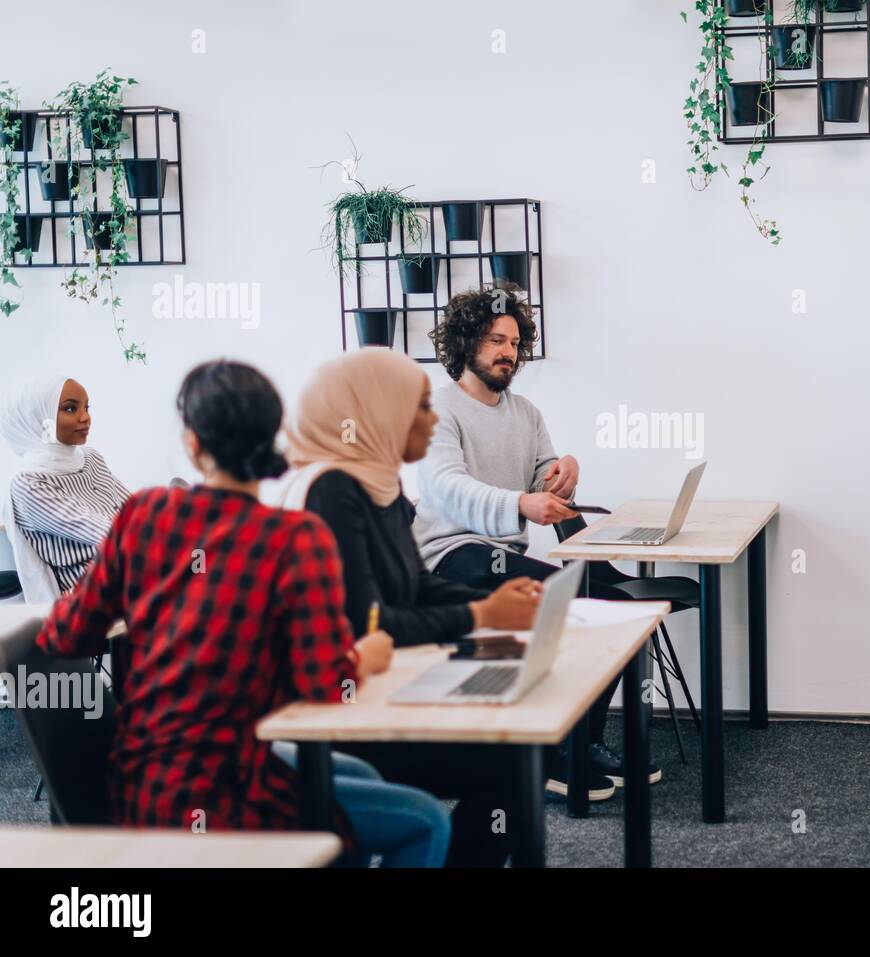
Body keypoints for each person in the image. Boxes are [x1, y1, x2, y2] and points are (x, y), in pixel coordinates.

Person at [35, 360, 450, 867]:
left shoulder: (142, 515)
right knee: (426, 819)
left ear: (193, 444)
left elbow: (65, 638)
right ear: (273, 438)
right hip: (226, 787)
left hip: (140, 777)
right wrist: (366, 655)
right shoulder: (295, 538)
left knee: (360, 775)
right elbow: (324, 685)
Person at [268, 346, 539, 866]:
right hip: (332, 718)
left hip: (375, 694)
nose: (434, 419)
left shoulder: (382, 484)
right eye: (420, 407)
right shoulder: (331, 491)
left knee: (520, 755)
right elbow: (371, 623)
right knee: (510, 763)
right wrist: (484, 616)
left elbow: (417, 585)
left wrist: (503, 602)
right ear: (376, 413)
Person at [414, 286, 661, 799]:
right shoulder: (439, 410)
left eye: (514, 341)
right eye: (495, 340)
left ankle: (578, 744)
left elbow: (540, 475)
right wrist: (521, 505)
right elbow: (449, 488)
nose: (508, 351)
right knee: (569, 602)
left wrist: (563, 470)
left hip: (503, 555)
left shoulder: (524, 411)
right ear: (465, 344)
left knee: (615, 604)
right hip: (452, 556)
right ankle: (554, 754)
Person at [0, 375, 128, 603]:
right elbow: (104, 532)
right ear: (37, 418)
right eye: (70, 408)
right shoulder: (28, 483)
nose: (85, 417)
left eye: (86, 407)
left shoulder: (90, 458)